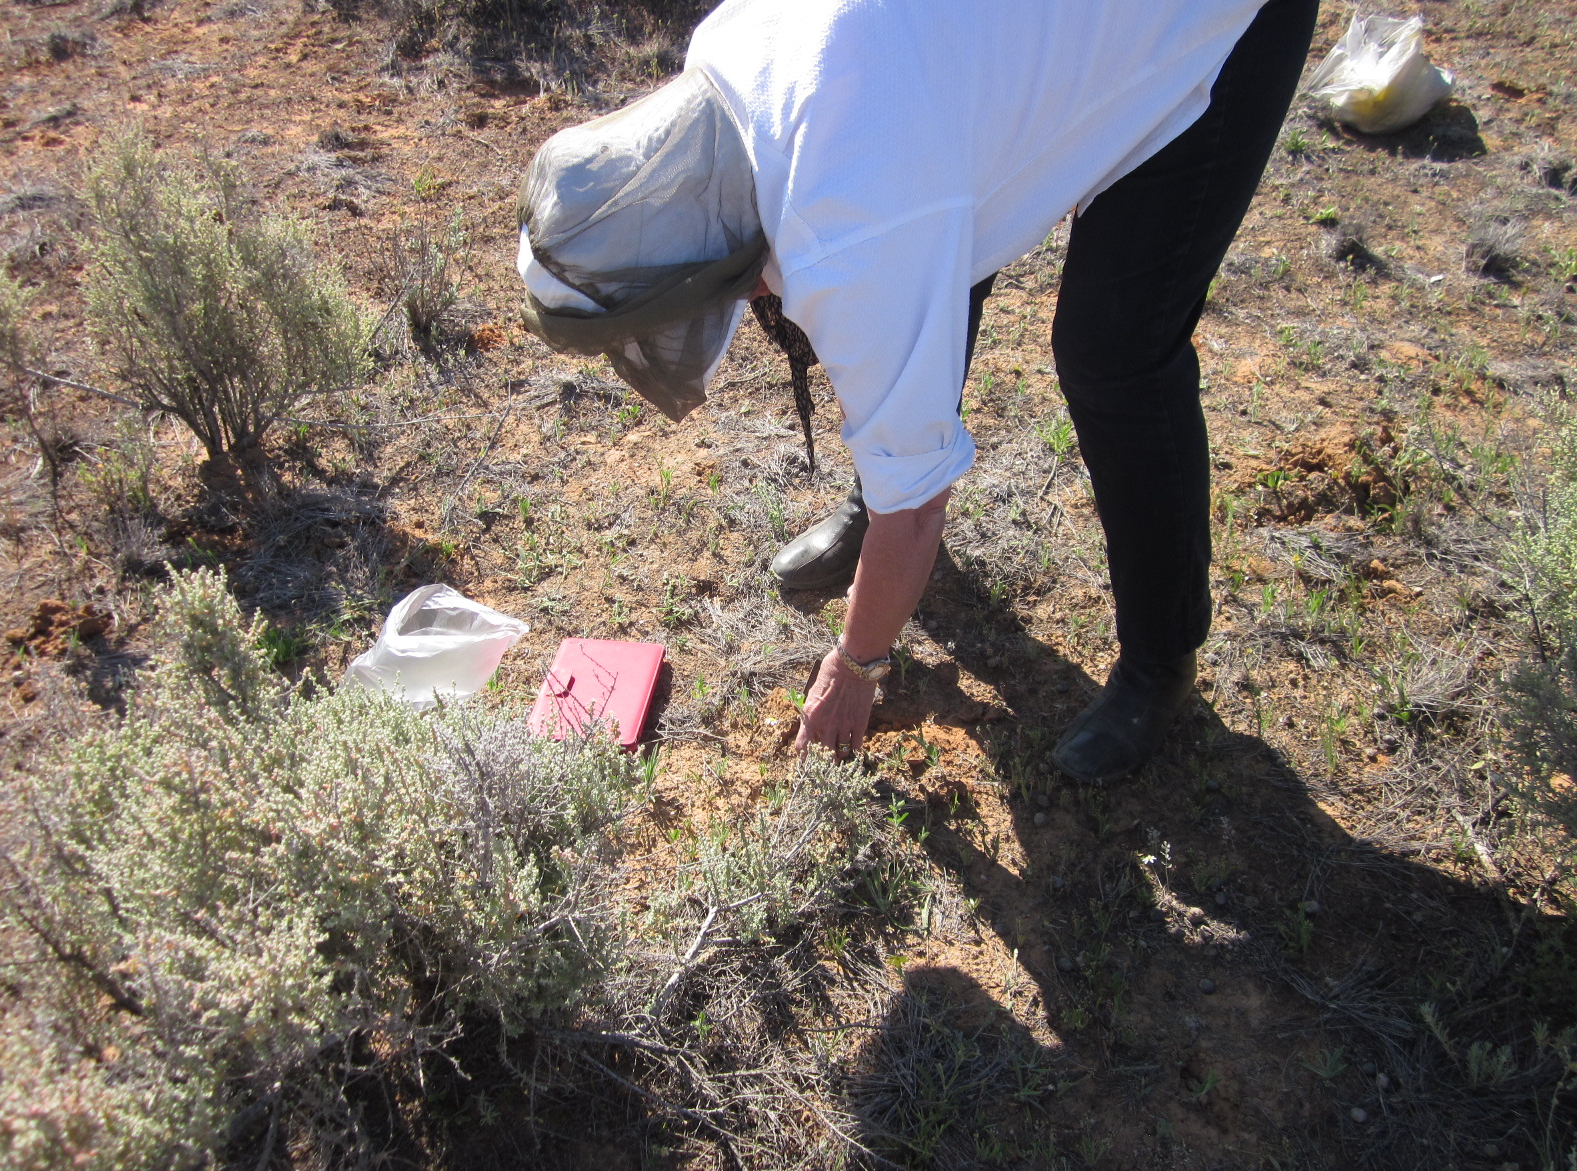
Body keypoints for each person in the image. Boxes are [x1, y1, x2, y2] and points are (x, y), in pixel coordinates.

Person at [516, 0, 1321, 783]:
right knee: (938, 275)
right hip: (1011, 60)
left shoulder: (850, 224)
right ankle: (874, 499)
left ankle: (1161, 661)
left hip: (1209, 26)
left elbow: (919, 510)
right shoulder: (723, 60)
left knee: (1115, 350)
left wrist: (857, 664)